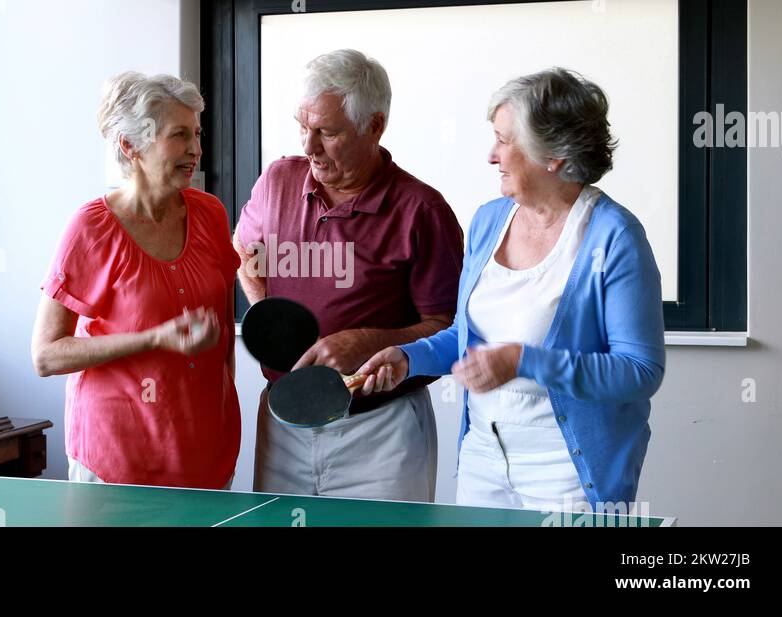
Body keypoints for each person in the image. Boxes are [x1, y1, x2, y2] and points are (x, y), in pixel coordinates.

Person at [359, 68, 665, 512]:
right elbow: (468, 337)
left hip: (568, 471)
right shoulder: (488, 221)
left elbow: (640, 371)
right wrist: (411, 358)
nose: (491, 155)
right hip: (483, 454)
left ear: (553, 156)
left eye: (505, 140)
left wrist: (524, 360)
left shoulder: (615, 236)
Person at [234, 49, 464, 502]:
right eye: (302, 126)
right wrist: (266, 311)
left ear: (374, 127)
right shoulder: (278, 179)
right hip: (284, 421)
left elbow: (450, 329)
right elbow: (243, 248)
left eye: (327, 132)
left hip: (381, 431)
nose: (308, 145)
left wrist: (366, 343)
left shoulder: (422, 211)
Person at [31, 72, 241, 489]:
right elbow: (46, 355)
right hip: (116, 461)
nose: (196, 150)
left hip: (206, 456)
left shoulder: (211, 213)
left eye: (197, 134)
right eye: (180, 135)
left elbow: (222, 340)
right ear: (131, 146)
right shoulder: (91, 228)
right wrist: (151, 338)